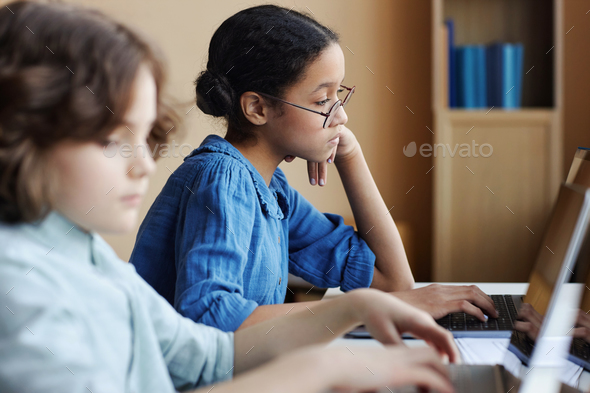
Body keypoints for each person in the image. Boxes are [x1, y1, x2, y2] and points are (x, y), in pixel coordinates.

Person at [0, 2, 459, 393]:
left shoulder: (84, 251)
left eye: (144, 137)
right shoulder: (18, 284)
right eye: (112, 140)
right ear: (21, 133)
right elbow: (210, 322)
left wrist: (357, 306)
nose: (143, 163)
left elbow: (205, 353)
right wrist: (321, 365)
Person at [130, 4, 498, 332]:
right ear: (257, 108)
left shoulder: (272, 191)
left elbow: (392, 282)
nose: (341, 114)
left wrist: (350, 156)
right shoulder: (223, 180)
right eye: (323, 100)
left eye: (339, 95)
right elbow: (208, 316)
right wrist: (357, 309)